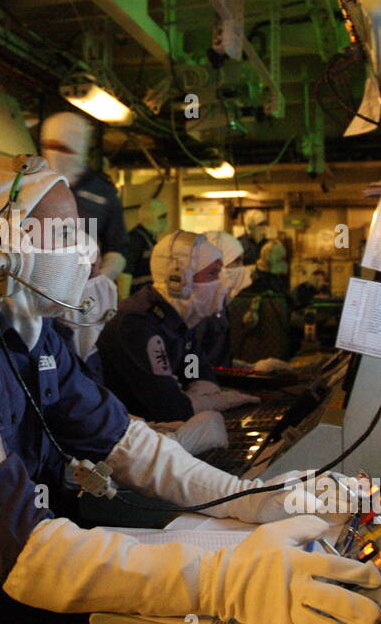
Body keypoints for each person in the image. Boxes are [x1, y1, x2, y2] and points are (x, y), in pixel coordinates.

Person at [0, 151, 381, 624]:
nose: (87, 254)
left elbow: (124, 442)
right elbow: (27, 557)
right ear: (4, 248)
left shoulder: (27, 323)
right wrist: (225, 583)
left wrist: (248, 497)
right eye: (65, 235)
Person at [97, 230, 263, 422]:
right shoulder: (136, 324)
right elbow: (170, 407)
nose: (223, 283)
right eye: (212, 273)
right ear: (179, 279)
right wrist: (220, 400)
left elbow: (193, 369)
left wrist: (198, 388)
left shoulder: (182, 319)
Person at [38, 111, 127, 280]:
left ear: (79, 149)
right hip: (32, 280)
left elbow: (117, 247)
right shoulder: (30, 182)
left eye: (63, 149)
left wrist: (101, 279)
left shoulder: (103, 193)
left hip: (81, 282)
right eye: (49, 146)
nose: (54, 154)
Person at [191, 230, 251, 371]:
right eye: (236, 261)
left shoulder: (219, 303)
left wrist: (245, 368)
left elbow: (215, 360)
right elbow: (191, 362)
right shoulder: (199, 309)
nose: (242, 268)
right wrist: (197, 381)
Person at [123, 197, 168, 291]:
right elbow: (125, 274)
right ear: (151, 217)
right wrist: (124, 297)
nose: (165, 220)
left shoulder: (150, 239)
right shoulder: (135, 239)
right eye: (161, 217)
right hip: (136, 294)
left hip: (145, 293)